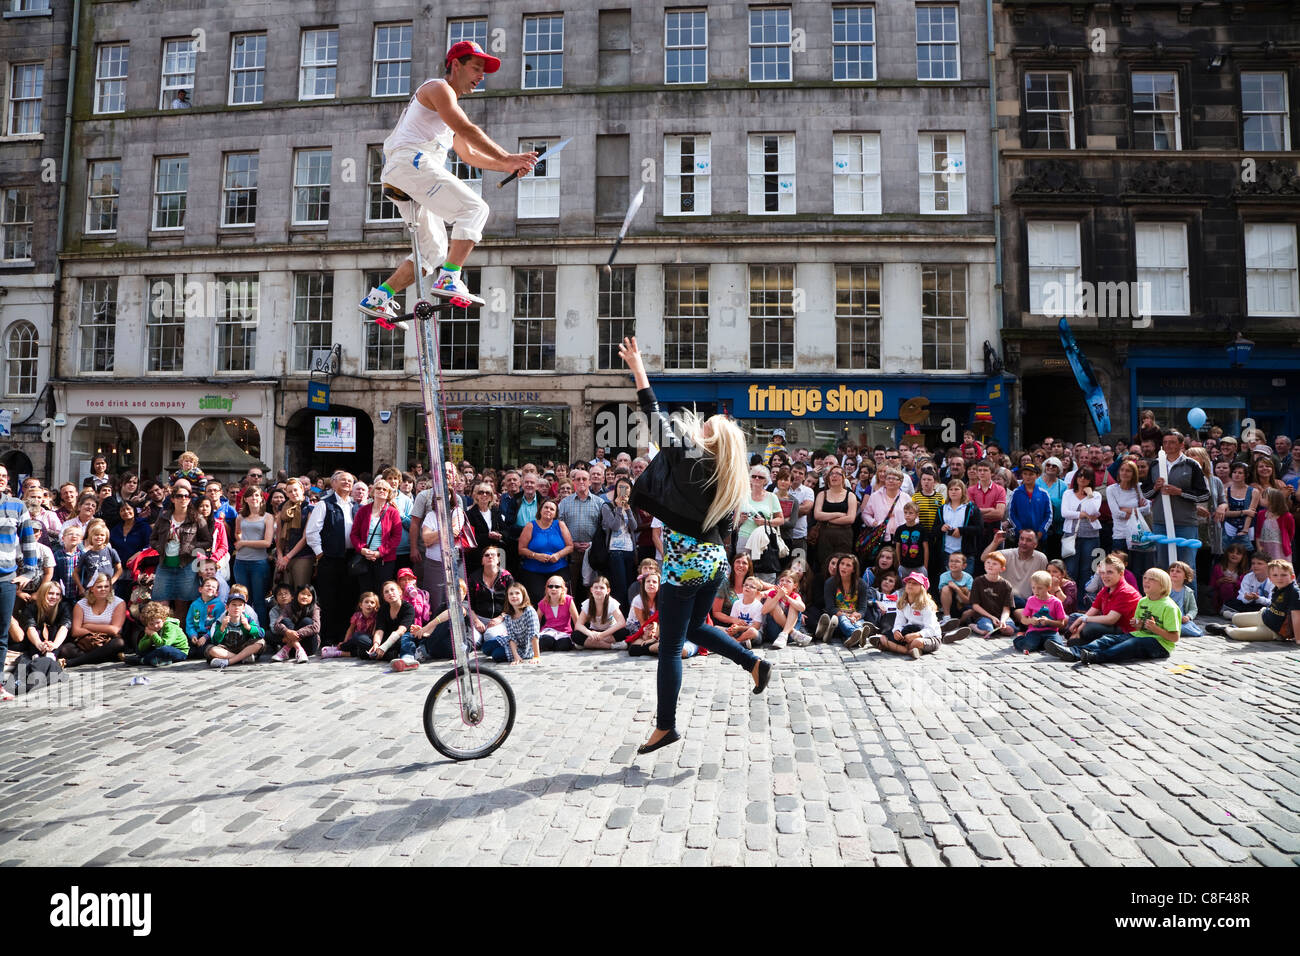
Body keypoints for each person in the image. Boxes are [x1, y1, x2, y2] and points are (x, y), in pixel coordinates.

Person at [619, 337, 770, 756]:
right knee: (695, 627)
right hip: (714, 562)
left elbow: (653, 415)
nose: (700, 425)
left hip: (686, 565)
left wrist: (638, 367)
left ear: (713, 437)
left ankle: (664, 726)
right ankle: (752, 663)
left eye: (706, 426)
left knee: (670, 647)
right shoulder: (728, 477)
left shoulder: (692, 458)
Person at [358, 41, 537, 323]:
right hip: (409, 164)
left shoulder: (443, 115)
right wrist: (508, 155)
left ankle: (379, 297)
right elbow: (466, 128)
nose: (481, 76)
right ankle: (450, 279)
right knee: (474, 209)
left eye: (483, 72)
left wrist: (507, 164)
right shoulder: (437, 89)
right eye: (476, 68)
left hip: (404, 177)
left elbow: (470, 155)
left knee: (434, 251)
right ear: (456, 65)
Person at [1047, 568, 1180, 664]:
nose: (1146, 581)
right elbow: (1140, 629)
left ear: (1163, 584)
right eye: (1145, 578)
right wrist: (1138, 625)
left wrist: (1155, 629)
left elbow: (1174, 638)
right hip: (1140, 635)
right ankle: (1074, 652)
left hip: (1160, 645)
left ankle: (1095, 657)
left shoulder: (1169, 606)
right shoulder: (1143, 601)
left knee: (1129, 645)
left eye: (1152, 579)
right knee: (1107, 639)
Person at [1142, 429, 1209, 566]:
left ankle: (1189, 589)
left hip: (1185, 523)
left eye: (1172, 442)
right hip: (1160, 523)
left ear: (1181, 444)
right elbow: (1146, 494)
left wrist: (1180, 492)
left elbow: (1204, 494)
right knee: (1162, 566)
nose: (1168, 445)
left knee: (1186, 567)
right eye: (1165, 442)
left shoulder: (1191, 465)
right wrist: (1155, 487)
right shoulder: (1155, 464)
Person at [304, 470, 357, 643]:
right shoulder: (324, 505)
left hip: (351, 558)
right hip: (330, 558)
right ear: (333, 483)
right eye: (343, 480)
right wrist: (320, 553)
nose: (347, 483)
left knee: (348, 597)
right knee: (329, 599)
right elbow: (312, 532)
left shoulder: (356, 505)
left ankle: (345, 637)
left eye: (350, 480)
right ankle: (328, 637)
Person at [1052, 553, 1141, 650]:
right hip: (1111, 626)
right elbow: (1092, 611)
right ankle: (1080, 644)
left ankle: (1082, 644)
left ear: (1121, 574)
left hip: (1126, 631)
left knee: (1089, 628)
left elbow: (1111, 619)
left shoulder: (1125, 591)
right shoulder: (1106, 589)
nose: (1105, 576)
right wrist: (1078, 628)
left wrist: (1083, 620)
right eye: (1102, 573)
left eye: (1110, 572)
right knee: (1074, 619)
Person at [149, 482, 211, 617]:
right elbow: (152, 539)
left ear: (189, 499)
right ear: (172, 499)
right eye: (179, 496)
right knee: (161, 605)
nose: (183, 499)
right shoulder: (164, 516)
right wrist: (160, 547)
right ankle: (162, 635)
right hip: (164, 565)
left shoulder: (197, 519)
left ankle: (179, 637)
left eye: (186, 496)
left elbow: (207, 541)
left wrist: (191, 547)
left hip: (186, 565)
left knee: (181, 605)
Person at [1206, 559, 1300, 643]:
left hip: (1274, 629)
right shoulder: (1277, 587)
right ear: (1270, 578)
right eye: (1275, 575)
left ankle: (1226, 629)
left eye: (1284, 575)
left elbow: (1296, 616)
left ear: (1292, 577)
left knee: (1236, 634)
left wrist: (1298, 638)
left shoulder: (1294, 592)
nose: (1279, 578)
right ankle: (1233, 617)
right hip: (1264, 615)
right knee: (1236, 619)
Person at [349, 477, 403, 597]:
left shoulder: (393, 512)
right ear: (373, 491)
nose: (381, 490)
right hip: (364, 558)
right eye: (378, 488)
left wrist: (380, 552)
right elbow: (354, 534)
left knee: (383, 593)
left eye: (385, 489)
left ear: (389, 493)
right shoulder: (363, 511)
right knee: (365, 592)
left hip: (385, 560)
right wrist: (362, 549)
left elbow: (396, 537)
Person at [231, 486, 274, 631]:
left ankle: (261, 632)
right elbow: (238, 533)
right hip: (241, 563)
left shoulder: (268, 517)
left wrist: (243, 543)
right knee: (242, 600)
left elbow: (267, 542)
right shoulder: (240, 517)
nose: (254, 498)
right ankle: (243, 631)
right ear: (245, 499)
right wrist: (240, 539)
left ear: (262, 498)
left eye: (257, 495)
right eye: (251, 496)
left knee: (259, 601)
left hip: (259, 563)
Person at [62, 572, 127, 667]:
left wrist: (88, 626)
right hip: (87, 642)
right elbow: (75, 631)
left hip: (107, 642)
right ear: (91, 588)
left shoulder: (119, 602)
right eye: (99, 587)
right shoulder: (81, 604)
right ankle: (103, 658)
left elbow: (114, 630)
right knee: (66, 649)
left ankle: (75, 662)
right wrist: (100, 631)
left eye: (106, 586)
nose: (103, 590)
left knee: (119, 643)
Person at [873, 572, 941, 659]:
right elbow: (899, 623)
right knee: (882, 638)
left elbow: (930, 629)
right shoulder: (902, 603)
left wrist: (917, 635)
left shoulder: (927, 605)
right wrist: (897, 631)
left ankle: (892, 647)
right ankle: (909, 651)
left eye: (915, 583)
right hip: (909, 632)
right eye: (909, 582)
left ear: (922, 588)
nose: (910, 585)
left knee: (916, 642)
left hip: (929, 636)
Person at [978, 528, 1049, 604]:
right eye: (1021, 539)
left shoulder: (1041, 558)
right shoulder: (1007, 554)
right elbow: (984, 558)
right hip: (1003, 599)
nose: (1024, 542)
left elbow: (1043, 583)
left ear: (1035, 545)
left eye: (1028, 540)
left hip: (1026, 602)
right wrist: (995, 542)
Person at [206, 586, 265, 668]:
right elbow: (215, 640)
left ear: (244, 608)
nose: (236, 608)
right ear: (227, 607)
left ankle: (229, 662)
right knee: (211, 649)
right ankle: (243, 658)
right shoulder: (222, 620)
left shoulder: (247, 618)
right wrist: (222, 628)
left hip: (243, 647)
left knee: (260, 642)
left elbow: (261, 633)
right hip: (227, 649)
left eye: (240, 605)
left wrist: (248, 627)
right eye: (233, 605)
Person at [1013, 570, 1067, 653]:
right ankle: (1020, 640)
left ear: (1049, 587)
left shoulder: (1056, 602)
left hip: (1051, 632)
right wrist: (1031, 621)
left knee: (1058, 646)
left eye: (1039, 588)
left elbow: (1061, 623)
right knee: (1029, 645)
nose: (1036, 591)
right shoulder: (1031, 600)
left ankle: (1043, 645)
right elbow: (1023, 620)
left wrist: (1048, 622)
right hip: (1034, 631)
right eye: (1033, 587)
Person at [275, 478, 314, 590]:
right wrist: (280, 555)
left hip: (302, 555)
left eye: (296, 490)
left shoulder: (310, 508)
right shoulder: (282, 507)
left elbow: (305, 537)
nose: (293, 493)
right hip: (284, 555)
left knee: (300, 590)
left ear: (302, 489)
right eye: (290, 491)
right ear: (286, 494)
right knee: (284, 591)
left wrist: (287, 557)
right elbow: (278, 534)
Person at [128, 601, 190, 667]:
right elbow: (141, 647)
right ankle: (159, 660)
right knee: (139, 650)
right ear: (147, 624)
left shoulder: (169, 626)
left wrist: (153, 634)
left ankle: (143, 660)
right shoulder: (151, 629)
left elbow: (164, 644)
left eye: (158, 622)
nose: (155, 626)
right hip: (159, 647)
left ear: (163, 619)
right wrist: (151, 638)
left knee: (164, 650)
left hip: (179, 651)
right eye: (151, 624)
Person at [759, 569, 810, 649]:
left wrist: (786, 597)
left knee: (794, 605)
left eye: (788, 581)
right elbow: (764, 611)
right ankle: (793, 632)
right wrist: (778, 596)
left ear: (795, 585)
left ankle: (785, 633)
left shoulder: (795, 595)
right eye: (782, 580)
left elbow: (802, 608)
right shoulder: (773, 593)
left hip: (788, 636)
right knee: (774, 605)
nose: (784, 583)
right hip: (776, 633)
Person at [574, 576, 627, 650]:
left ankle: (588, 644)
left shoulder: (612, 603)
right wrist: (590, 633)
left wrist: (602, 635)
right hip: (594, 633)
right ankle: (611, 646)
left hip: (609, 633)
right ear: (591, 590)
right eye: (595, 587)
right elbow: (578, 625)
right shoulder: (587, 603)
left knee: (623, 632)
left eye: (602, 588)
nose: (598, 590)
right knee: (576, 635)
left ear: (608, 591)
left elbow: (622, 623)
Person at [270, 584, 318, 662]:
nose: (305, 597)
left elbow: (316, 627)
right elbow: (276, 625)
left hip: (309, 647)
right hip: (293, 650)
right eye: (303, 593)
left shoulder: (315, 608)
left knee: (307, 621)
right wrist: (287, 631)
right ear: (297, 595)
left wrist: (294, 634)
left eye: (309, 595)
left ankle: (285, 650)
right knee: (285, 621)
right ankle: (298, 649)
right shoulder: (289, 607)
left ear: (313, 598)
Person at [327, 591, 380, 659]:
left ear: (376, 606)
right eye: (366, 602)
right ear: (361, 605)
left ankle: (341, 653)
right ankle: (342, 648)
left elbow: (374, 633)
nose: (369, 604)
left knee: (361, 647)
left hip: (367, 641)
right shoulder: (357, 615)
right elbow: (350, 629)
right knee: (354, 638)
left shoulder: (376, 617)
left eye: (372, 603)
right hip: (354, 641)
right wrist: (345, 642)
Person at [536, 575, 578, 652]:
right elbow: (536, 620)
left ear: (563, 589)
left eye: (557, 586)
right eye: (550, 586)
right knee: (546, 641)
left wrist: (576, 638)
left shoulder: (568, 600)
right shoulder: (543, 602)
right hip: (548, 631)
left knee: (563, 645)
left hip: (565, 632)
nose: (553, 589)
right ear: (547, 589)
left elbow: (576, 620)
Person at [502, 582, 540, 664]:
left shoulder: (529, 611)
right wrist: (515, 656)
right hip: (514, 646)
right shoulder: (508, 615)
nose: (514, 596)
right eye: (511, 594)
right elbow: (511, 637)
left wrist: (536, 656)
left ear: (523, 595)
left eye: (517, 593)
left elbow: (534, 635)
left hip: (526, 649)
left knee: (496, 655)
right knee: (487, 647)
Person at [1253, 487, 1294, 561]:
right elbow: (1258, 532)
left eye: (1263, 497)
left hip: (1279, 548)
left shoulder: (1286, 516)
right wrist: (1259, 546)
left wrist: (1286, 543)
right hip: (1264, 547)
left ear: (1272, 501)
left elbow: (1290, 533)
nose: (1260, 499)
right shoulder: (1261, 514)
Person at [1167, 560, 1201, 637]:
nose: (1174, 572)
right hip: (1166, 618)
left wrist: (1188, 616)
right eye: (1172, 570)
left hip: (1180, 620)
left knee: (1187, 629)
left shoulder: (1188, 592)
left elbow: (1193, 609)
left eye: (1178, 571)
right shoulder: (1164, 588)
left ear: (1185, 576)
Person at [938, 551, 973, 623]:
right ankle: (947, 617)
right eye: (951, 561)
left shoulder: (968, 578)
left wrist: (957, 588)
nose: (953, 563)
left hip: (964, 605)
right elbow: (943, 594)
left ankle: (959, 622)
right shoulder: (944, 576)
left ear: (964, 566)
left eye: (957, 561)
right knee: (946, 588)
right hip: (950, 605)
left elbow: (968, 601)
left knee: (971, 611)